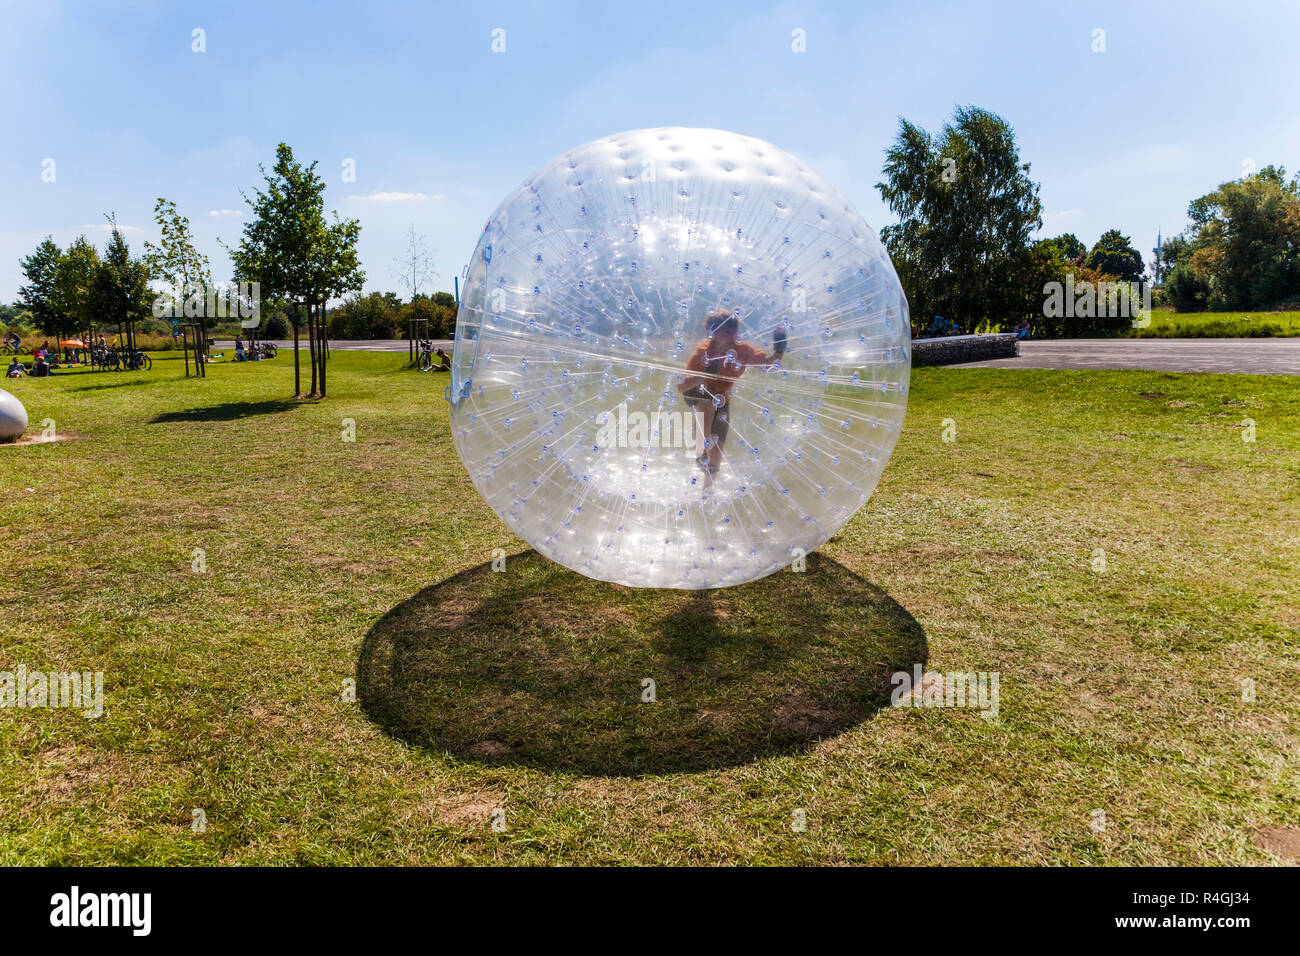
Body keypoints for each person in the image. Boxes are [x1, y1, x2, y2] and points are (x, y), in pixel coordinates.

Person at [677, 308, 787, 480]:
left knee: (717, 454)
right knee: (706, 407)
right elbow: (681, 386)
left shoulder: (742, 350)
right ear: (713, 332)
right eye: (727, 330)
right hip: (696, 392)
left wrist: (779, 350)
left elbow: (768, 366)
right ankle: (701, 451)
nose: (732, 334)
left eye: (734, 330)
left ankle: (707, 493)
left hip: (721, 398)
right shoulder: (703, 352)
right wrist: (702, 376)